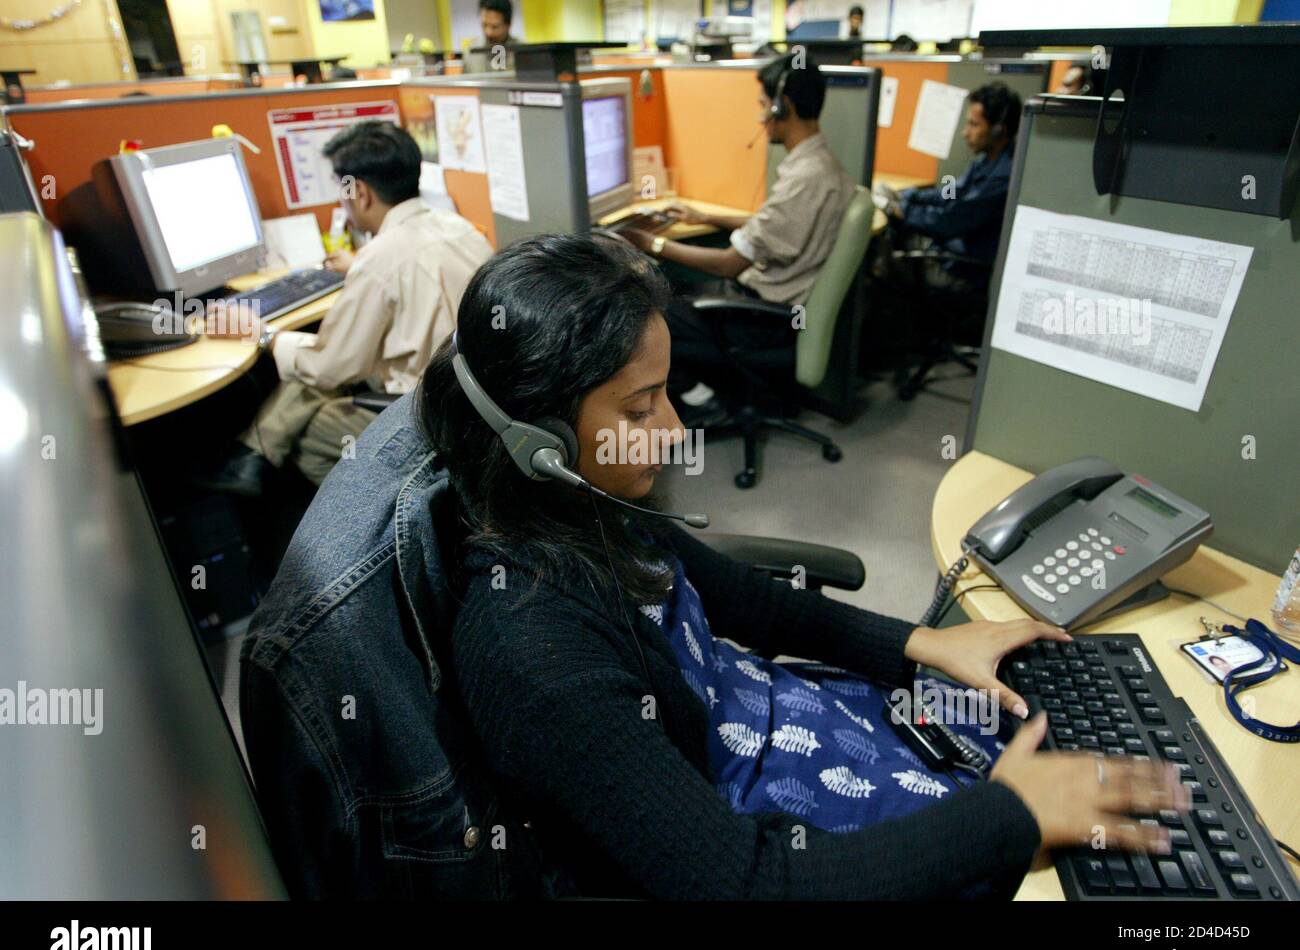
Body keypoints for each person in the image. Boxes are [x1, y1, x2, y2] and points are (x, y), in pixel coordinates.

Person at [414, 232, 1184, 899]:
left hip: (784, 719)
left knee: (1043, 728)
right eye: (641, 407)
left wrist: (920, 646)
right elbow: (744, 885)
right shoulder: (536, 659)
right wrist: (1010, 815)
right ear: (539, 440)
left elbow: (745, 601)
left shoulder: (585, 507)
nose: (676, 430)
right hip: (768, 836)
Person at [199, 121, 492, 496]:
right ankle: (250, 455)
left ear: (362, 193)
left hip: (428, 418)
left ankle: (396, 518)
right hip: (481, 403)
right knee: (323, 366)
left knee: (310, 429)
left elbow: (330, 367)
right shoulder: (460, 229)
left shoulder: (380, 259)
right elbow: (419, 271)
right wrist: (364, 268)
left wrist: (261, 333)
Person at [617, 52, 855, 418]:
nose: (761, 116)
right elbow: (777, 223)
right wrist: (706, 215)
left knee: (643, 311)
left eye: (764, 105)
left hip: (759, 320)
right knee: (675, 286)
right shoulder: (822, 165)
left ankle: (704, 399)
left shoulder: (804, 180)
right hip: (779, 305)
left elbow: (730, 264)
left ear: (782, 107)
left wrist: (653, 243)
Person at [885, 82, 1021, 285]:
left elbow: (949, 222)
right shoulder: (985, 161)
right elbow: (950, 193)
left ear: (998, 130)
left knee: (888, 249)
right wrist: (911, 195)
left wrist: (903, 210)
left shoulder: (1002, 178)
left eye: (974, 125)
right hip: (948, 246)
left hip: (961, 268)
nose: (965, 133)